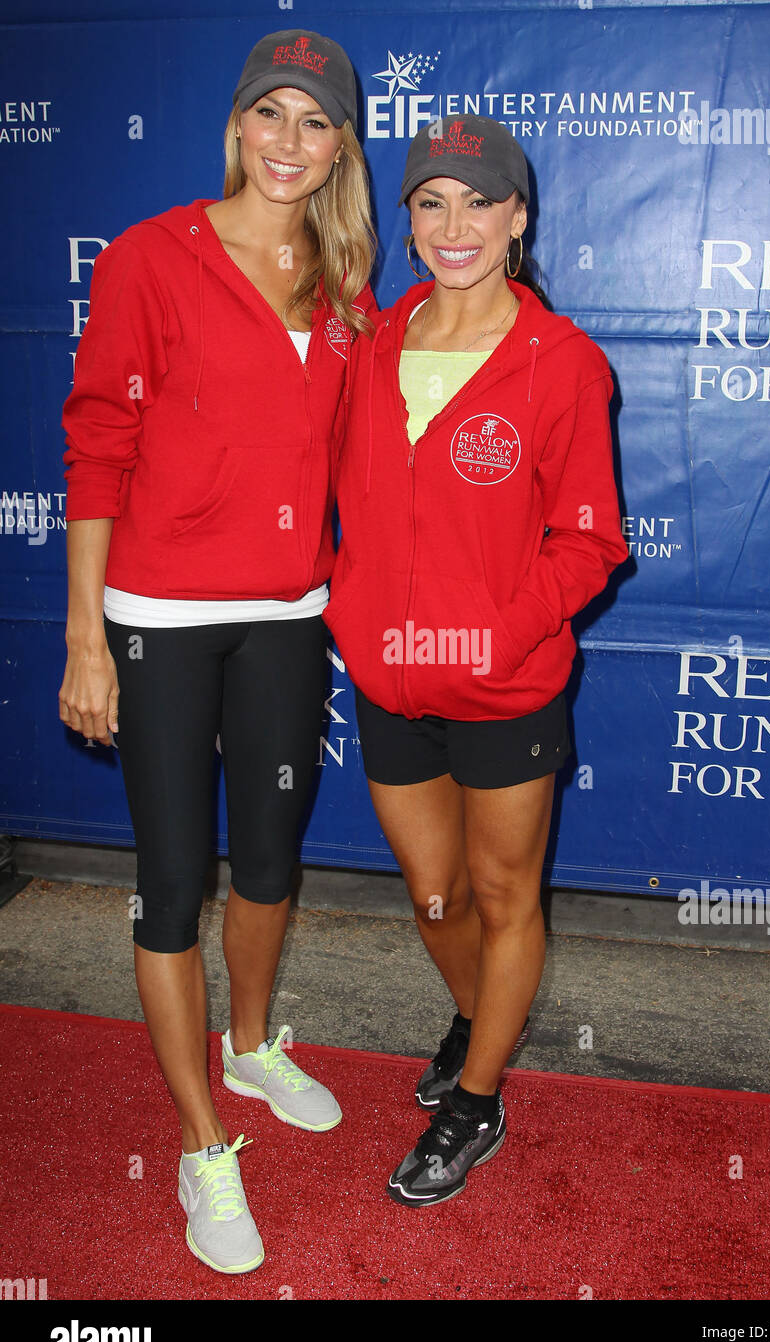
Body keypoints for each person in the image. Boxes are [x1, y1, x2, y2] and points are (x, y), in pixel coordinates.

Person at [59, 30, 376, 1271]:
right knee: (174, 872)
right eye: (269, 115)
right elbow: (96, 446)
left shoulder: (346, 282)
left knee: (273, 860)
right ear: (237, 126)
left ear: (341, 143)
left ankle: (249, 1047)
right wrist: (86, 636)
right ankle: (201, 1147)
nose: (289, 141)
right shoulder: (153, 256)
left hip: (291, 616)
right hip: (161, 614)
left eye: (315, 121)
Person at [323, 115, 628, 1207]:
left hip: (506, 683)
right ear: (406, 220)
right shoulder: (364, 343)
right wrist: (345, 612)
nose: (455, 225)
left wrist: (497, 631)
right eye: (431, 202)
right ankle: (472, 1015)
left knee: (503, 894)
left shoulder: (561, 363)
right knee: (436, 895)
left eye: (479, 202)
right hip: (389, 679)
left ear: (517, 218)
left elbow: (591, 538)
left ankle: (479, 1097)